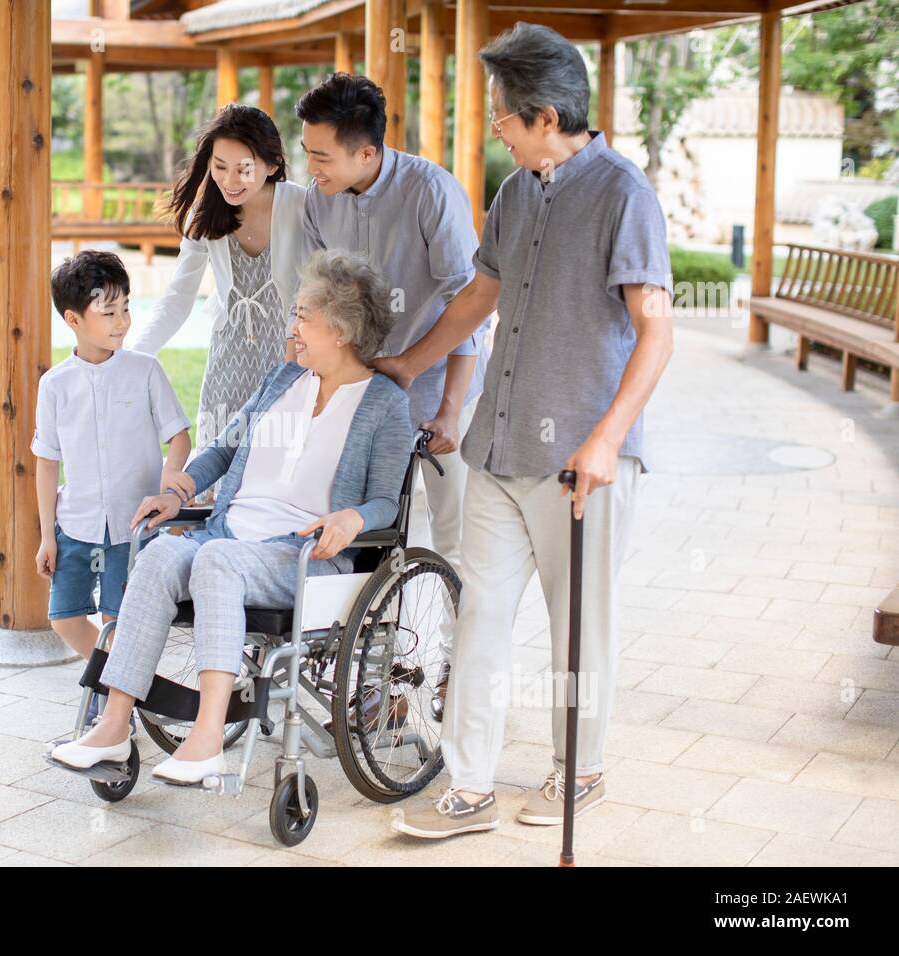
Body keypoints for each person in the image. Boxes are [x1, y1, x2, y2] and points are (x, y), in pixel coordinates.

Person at [383, 23, 674, 839]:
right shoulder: (515, 194)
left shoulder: (624, 195)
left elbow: (656, 331)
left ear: (546, 116)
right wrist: (412, 363)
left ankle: (579, 771)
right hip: (497, 451)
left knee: (579, 631)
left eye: (504, 118)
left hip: (582, 459)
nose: (497, 131)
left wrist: (611, 437)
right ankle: (469, 788)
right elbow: (479, 297)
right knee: (480, 616)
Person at [49, 250, 411, 784]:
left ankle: (207, 736)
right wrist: (181, 489)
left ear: (340, 330)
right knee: (160, 552)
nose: (292, 328)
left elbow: (385, 500)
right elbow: (224, 448)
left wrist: (351, 521)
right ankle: (113, 725)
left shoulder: (383, 404)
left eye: (302, 316)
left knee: (216, 559)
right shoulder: (283, 380)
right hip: (227, 535)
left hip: (303, 552)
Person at [295, 73, 489, 719]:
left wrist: (450, 407)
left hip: (441, 387)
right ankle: (383, 685)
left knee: (456, 542)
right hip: (374, 391)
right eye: (307, 153)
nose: (310, 167)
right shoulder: (322, 202)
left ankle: (454, 679)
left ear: (366, 153)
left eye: (321, 155)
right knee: (377, 536)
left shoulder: (431, 192)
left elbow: (472, 303)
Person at [131, 105, 308, 500]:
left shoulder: (302, 207)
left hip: (288, 356)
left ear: (272, 165)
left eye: (243, 168)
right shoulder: (206, 214)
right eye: (219, 166)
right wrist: (134, 357)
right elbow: (178, 297)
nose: (229, 180)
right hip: (228, 361)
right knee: (216, 477)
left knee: (274, 476)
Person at [32, 250, 192, 664]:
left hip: (132, 525)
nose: (122, 321)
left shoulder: (145, 370)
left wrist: (170, 474)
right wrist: (48, 535)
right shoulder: (54, 385)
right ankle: (110, 682)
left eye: (126, 308)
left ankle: (110, 703)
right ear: (73, 320)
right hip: (76, 524)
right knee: (64, 616)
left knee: (116, 620)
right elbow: (47, 461)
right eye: (109, 313)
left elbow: (178, 435)